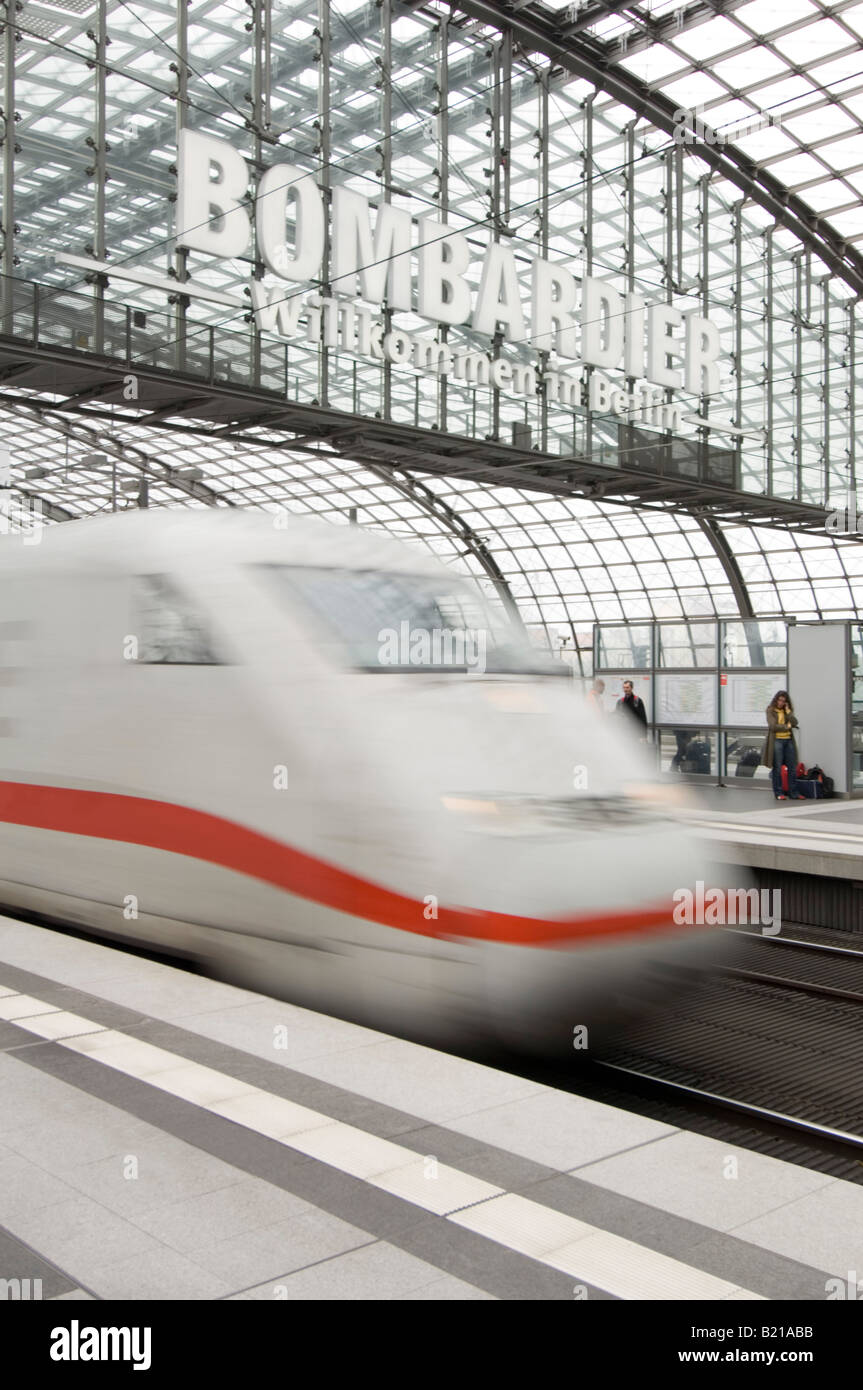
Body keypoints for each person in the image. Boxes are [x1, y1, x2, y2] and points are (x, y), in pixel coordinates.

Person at [762, 689, 804, 801]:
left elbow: (795, 722)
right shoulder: (770, 710)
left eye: (783, 701)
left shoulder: (786, 711)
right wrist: (787, 727)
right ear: (776, 700)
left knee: (792, 768)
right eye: (779, 700)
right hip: (777, 741)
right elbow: (773, 726)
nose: (780, 703)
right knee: (778, 768)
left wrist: (788, 712)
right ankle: (778, 792)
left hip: (788, 740)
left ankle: (793, 793)